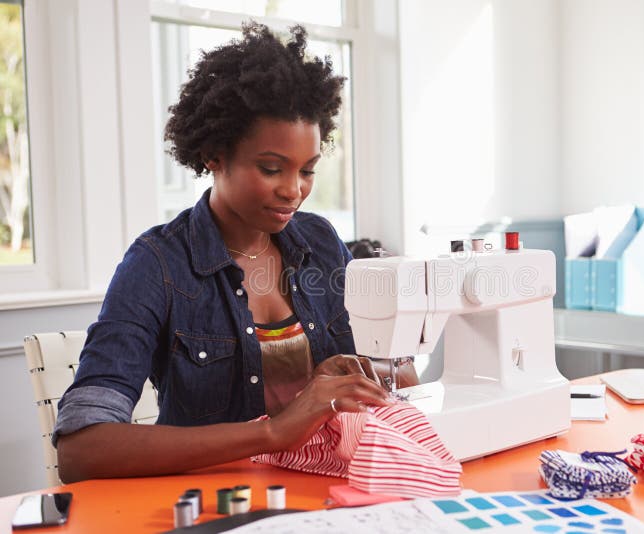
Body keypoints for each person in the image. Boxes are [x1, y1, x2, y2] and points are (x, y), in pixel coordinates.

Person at [54, 23, 418, 484]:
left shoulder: (322, 244)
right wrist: (275, 433)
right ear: (213, 155)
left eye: (307, 170)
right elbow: (83, 450)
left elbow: (394, 375)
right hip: (217, 501)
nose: (293, 190)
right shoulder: (158, 265)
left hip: (326, 487)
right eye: (271, 168)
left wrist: (378, 371)